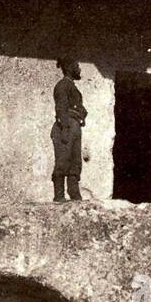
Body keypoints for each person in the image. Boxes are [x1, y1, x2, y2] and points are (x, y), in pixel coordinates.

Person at [51, 58, 88, 202]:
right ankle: (59, 196)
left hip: (74, 126)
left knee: (75, 162)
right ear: (69, 67)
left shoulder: (71, 86)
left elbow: (78, 107)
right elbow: (61, 108)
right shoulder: (62, 85)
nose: (79, 69)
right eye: (77, 66)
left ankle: (74, 194)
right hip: (65, 126)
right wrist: (65, 129)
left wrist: (81, 114)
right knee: (63, 160)